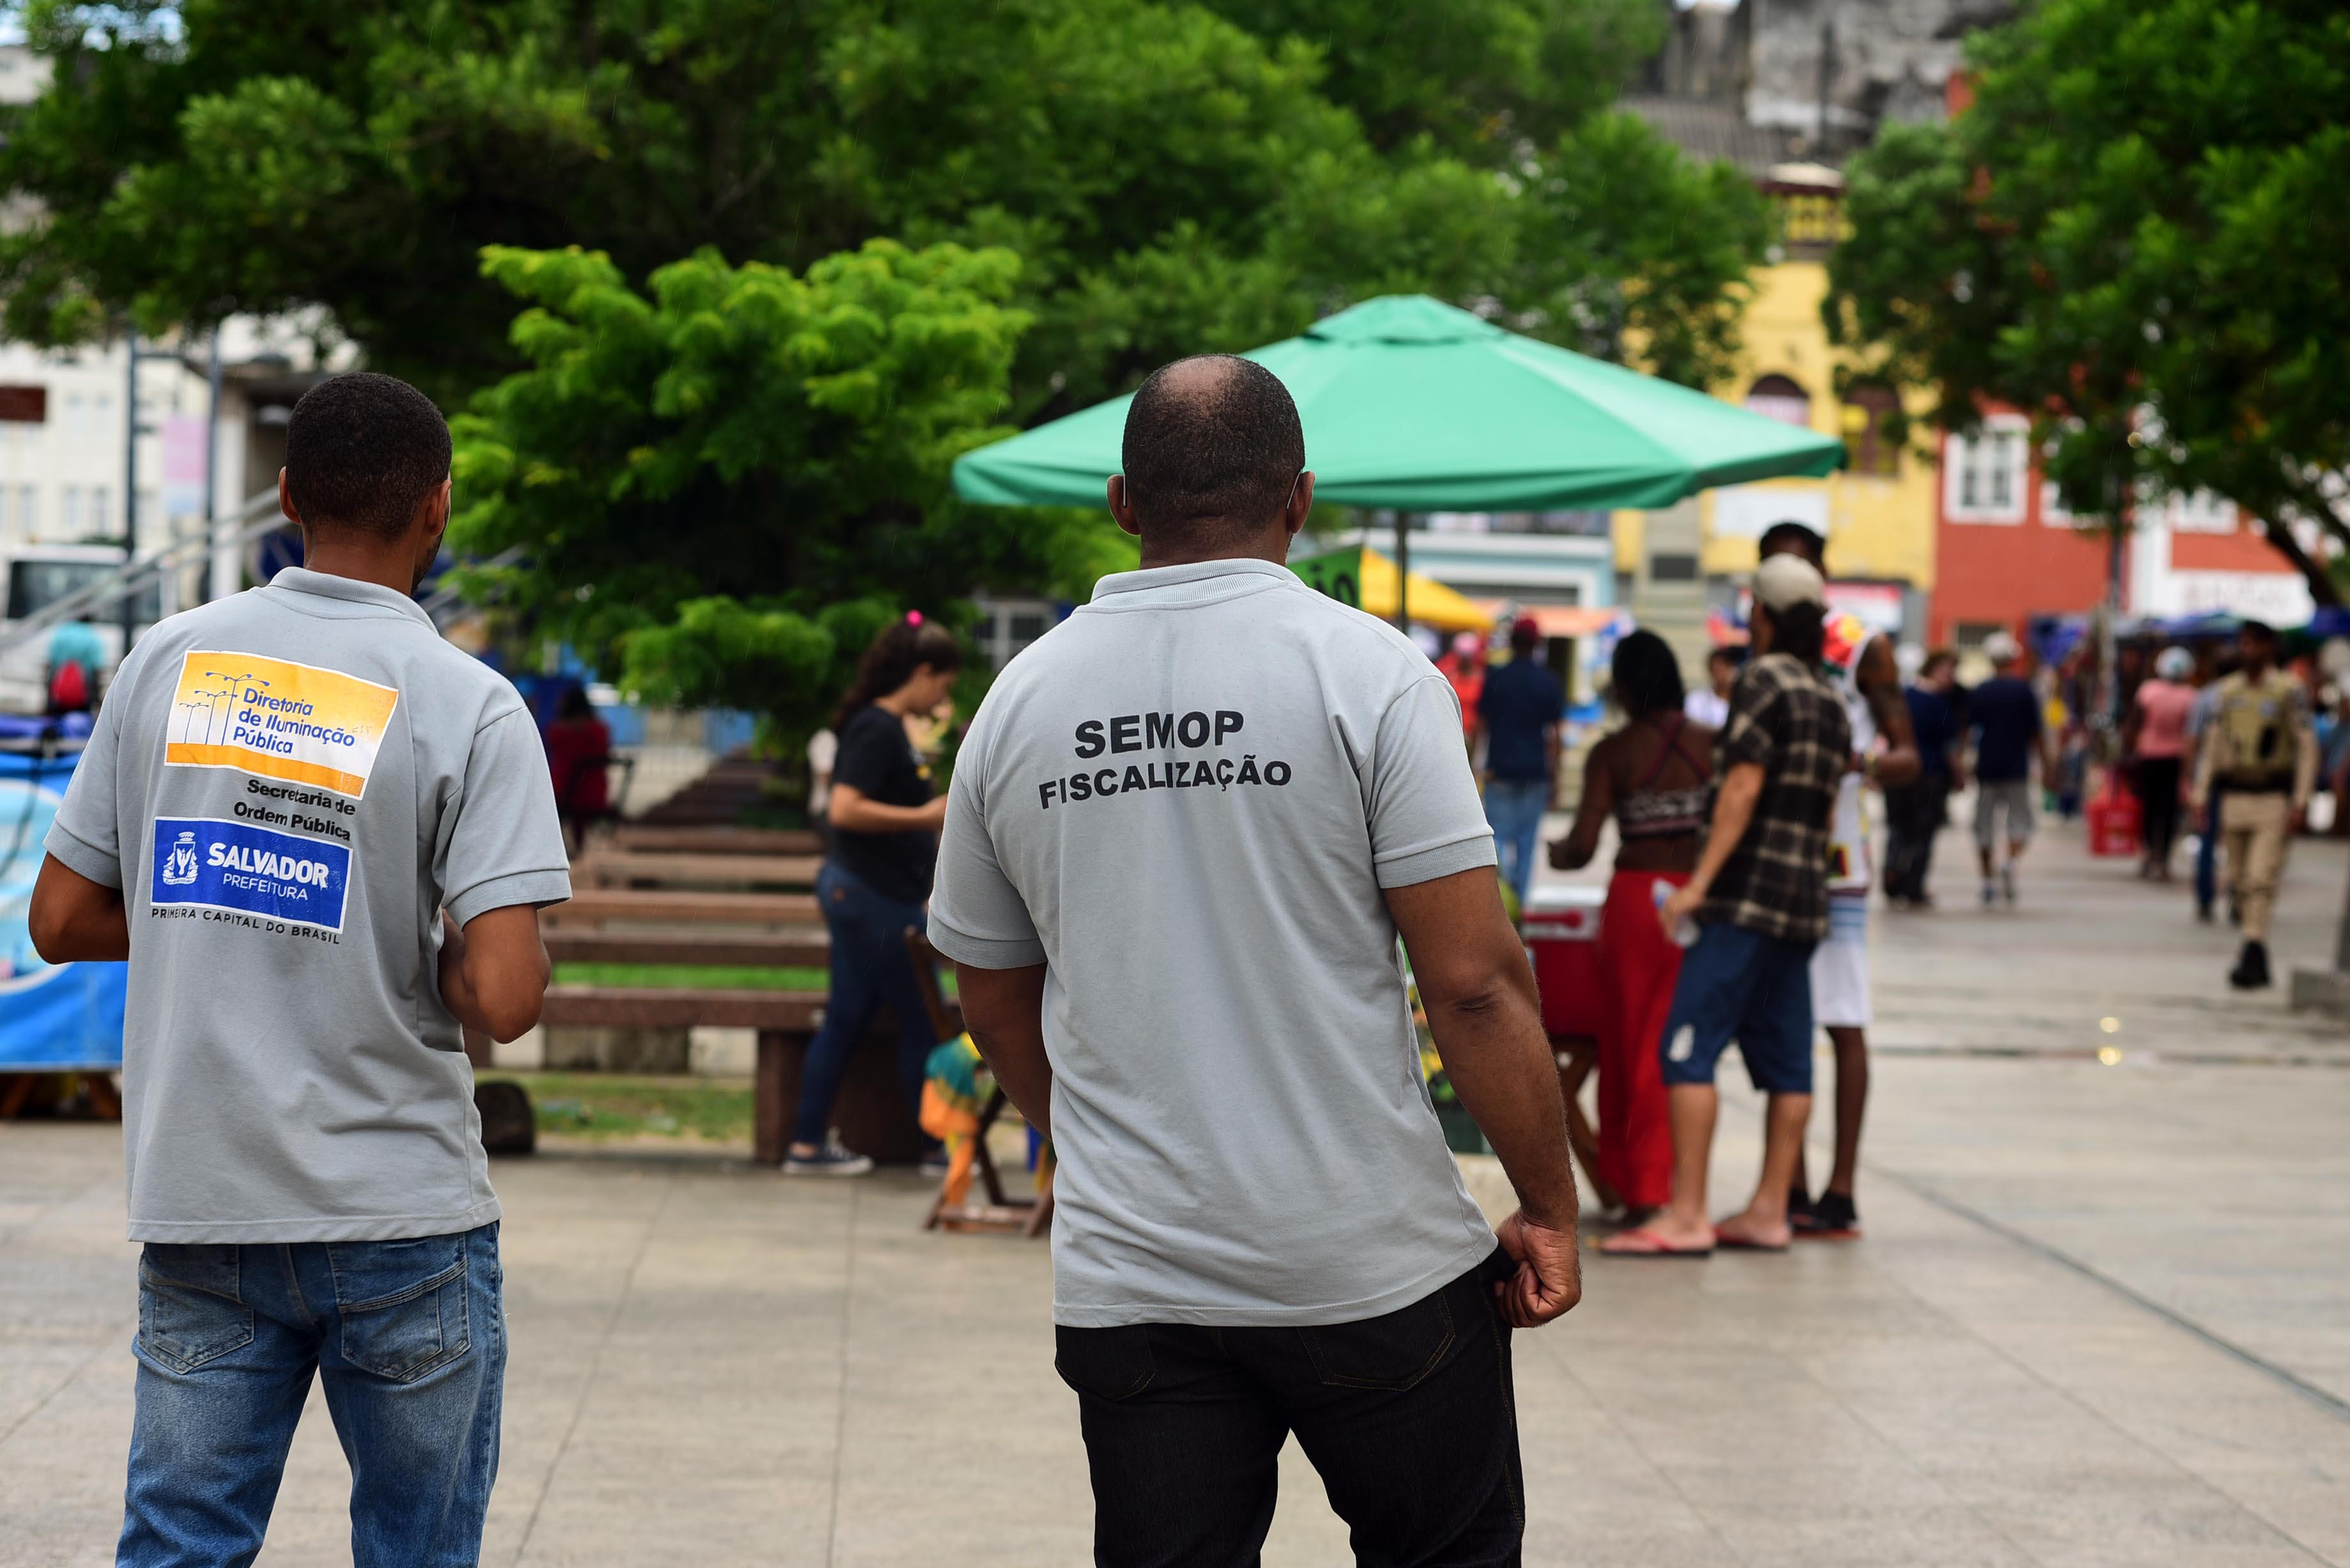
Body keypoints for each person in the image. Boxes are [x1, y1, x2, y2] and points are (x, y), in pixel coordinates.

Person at [929, 355, 1581, 1565]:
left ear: (1123, 503)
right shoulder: (1373, 676)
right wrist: (1547, 1203)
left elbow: (991, 994)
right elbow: (1474, 982)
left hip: (1140, 1280)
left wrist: (1100, 1141)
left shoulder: (1018, 703)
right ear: (1301, 499)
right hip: (1373, 1266)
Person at [27, 372, 570, 1565]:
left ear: (284, 496)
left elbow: (61, 920)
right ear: (438, 510)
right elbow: (508, 997)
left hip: (203, 1201)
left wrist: (215, 905)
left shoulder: (167, 661)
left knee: (179, 1546)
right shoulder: (472, 704)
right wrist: (382, 926)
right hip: (402, 1214)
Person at [1604, 555, 1851, 1257]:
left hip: (1743, 898)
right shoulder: (1829, 697)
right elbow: (1826, 803)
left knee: (1686, 1047)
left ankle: (1685, 1213)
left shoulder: (1762, 680)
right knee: (1789, 1063)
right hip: (1802, 901)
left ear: (1762, 616)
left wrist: (1698, 883)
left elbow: (1741, 788)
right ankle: (1769, 1209)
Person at [1755, 523, 1918, 1242]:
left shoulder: (1858, 643)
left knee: (1841, 1018)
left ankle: (1839, 1187)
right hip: (1769, 854)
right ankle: (1783, 1185)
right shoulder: (1757, 643)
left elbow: (1909, 754)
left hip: (1834, 861)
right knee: (1774, 1019)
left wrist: (1852, 761)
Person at [785, 615, 963, 1175]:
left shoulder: (897, 731)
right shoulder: (876, 729)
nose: (944, 698)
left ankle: (808, 1144)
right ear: (923, 672)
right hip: (871, 897)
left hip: (873, 894)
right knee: (921, 1016)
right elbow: (843, 808)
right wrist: (923, 814)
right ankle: (938, 1147)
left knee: (849, 1017)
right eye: (943, 684)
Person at [1550, 629, 1713, 1225]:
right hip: (1695, 903)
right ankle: (1667, 1184)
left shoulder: (1613, 754)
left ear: (1623, 687)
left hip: (1634, 906)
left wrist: (1557, 853)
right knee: (1677, 1047)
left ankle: (1636, 1186)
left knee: (1626, 1045)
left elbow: (1583, 847)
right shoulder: (1712, 745)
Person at [2191, 621, 2317, 990]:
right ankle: (2255, 948)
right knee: (2238, 880)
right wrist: (2201, 793)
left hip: (2272, 796)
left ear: (2269, 648)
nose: (2248, 651)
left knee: (2261, 878)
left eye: (2255, 644)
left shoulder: (2288, 691)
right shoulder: (2227, 692)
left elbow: (2306, 746)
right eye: (2244, 643)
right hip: (2234, 795)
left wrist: (2301, 799)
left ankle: (2252, 947)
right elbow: (2212, 746)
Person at [1473, 615, 1565, 911]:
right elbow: (1556, 736)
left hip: (1500, 770)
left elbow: (1480, 726)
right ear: (1537, 644)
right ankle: (1520, 910)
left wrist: (1472, 765)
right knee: (1526, 845)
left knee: (1496, 840)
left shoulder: (1496, 677)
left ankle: (1501, 904)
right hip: (1535, 772)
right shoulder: (1548, 681)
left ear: (1511, 642)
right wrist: (1556, 778)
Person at [1967, 629, 2052, 907]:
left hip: (1987, 766)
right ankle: (2010, 862)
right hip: (2017, 766)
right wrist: (2048, 764)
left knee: (1984, 825)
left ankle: (1986, 880)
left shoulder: (1981, 690)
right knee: (2021, 821)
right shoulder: (2024, 691)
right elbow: (2036, 733)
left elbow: (1967, 730)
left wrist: (1960, 763)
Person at [1884, 649, 1962, 907]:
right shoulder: (1939, 702)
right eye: (1947, 671)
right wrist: (1958, 773)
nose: (1951, 678)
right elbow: (1949, 745)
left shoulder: (1901, 697)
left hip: (1898, 771)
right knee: (1923, 831)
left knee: (1897, 825)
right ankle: (1913, 885)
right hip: (1930, 773)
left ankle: (1892, 871)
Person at [2124, 647, 2197, 879]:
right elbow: (2191, 733)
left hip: (2148, 757)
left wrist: (2129, 750)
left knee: (2148, 808)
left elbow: (2135, 723)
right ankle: (2163, 859)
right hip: (2175, 759)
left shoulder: (2148, 691)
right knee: (2168, 811)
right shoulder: (2190, 696)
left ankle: (2148, 855)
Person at [545, 683, 613, 854]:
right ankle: (580, 847)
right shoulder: (600, 731)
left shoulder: (558, 733)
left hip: (565, 795)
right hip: (595, 796)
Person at [45, 619, 103, 715]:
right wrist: (97, 698)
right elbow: (96, 670)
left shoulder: (60, 634)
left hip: (60, 695)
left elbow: (51, 666)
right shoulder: (93, 637)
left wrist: (48, 697)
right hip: (84, 694)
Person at [1438, 629, 1486, 742]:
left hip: (1472, 735)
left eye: (1467, 656)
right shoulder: (1448, 673)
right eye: (1462, 655)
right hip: (1451, 732)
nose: (1464, 660)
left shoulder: (1480, 676)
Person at [1685, 645, 1738, 729]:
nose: (1721, 671)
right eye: (1717, 666)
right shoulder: (1696, 699)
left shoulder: (1742, 703)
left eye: (1726, 665)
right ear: (1710, 669)